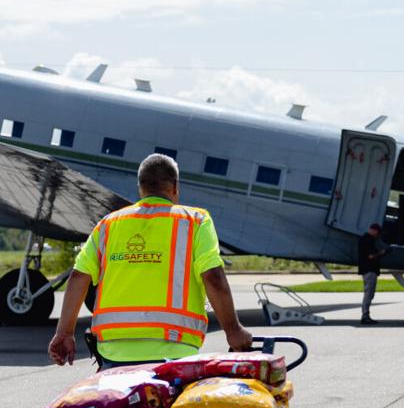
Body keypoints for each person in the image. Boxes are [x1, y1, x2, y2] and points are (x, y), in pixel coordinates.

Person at [49, 153, 252, 369]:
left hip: (114, 351)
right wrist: (233, 331)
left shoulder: (108, 225)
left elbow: (78, 276)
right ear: (175, 187)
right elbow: (213, 278)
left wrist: (64, 333)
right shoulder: (195, 221)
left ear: (140, 187)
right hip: (175, 348)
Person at [356, 223, 387, 325]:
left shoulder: (365, 239)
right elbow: (370, 256)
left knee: (369, 293)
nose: (377, 235)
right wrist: (382, 253)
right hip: (369, 270)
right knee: (369, 294)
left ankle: (365, 315)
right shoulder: (367, 240)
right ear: (373, 230)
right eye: (377, 233)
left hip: (367, 270)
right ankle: (365, 316)